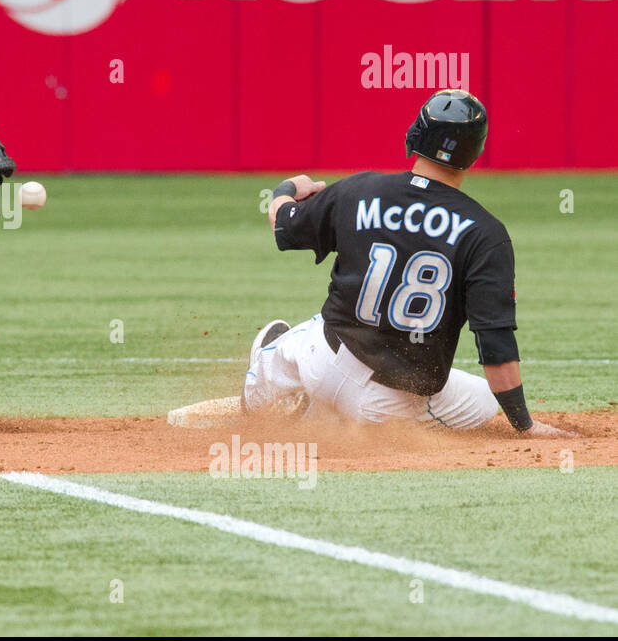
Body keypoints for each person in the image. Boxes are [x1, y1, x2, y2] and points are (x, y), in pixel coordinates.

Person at [243, 89, 572, 437]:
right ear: (475, 151)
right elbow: (496, 344)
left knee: (312, 330)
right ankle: (337, 416)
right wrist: (525, 425)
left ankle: (266, 378)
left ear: (417, 135)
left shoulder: (358, 190)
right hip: (382, 404)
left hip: (319, 361)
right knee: (485, 400)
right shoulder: (485, 234)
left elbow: (283, 224)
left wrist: (286, 188)